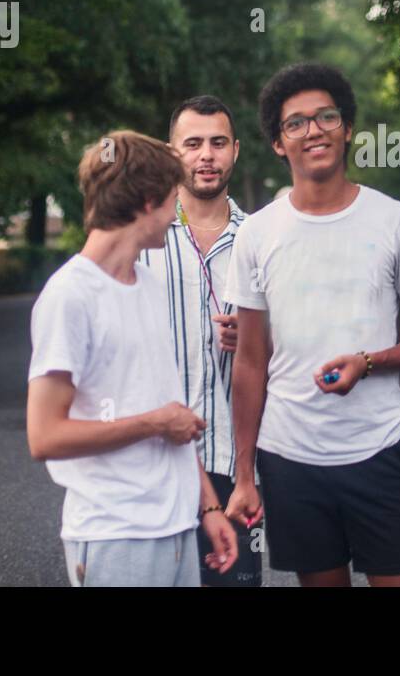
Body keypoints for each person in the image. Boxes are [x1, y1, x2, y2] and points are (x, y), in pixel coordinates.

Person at [224, 63, 400, 587]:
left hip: (379, 447)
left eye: (326, 117)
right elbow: (250, 360)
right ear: (279, 144)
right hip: (290, 457)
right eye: (296, 124)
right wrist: (243, 477)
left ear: (347, 128)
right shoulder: (256, 234)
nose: (314, 131)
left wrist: (369, 362)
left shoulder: (394, 220)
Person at [26, 131, 238, 586]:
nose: (175, 215)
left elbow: (171, 412)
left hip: (178, 524)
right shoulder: (70, 296)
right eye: (170, 202)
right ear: (147, 202)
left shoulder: (149, 284)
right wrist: (155, 424)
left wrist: (208, 507)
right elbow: (44, 436)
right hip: (115, 535)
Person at [140, 95, 262, 587]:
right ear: (172, 155)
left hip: (237, 463)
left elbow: (297, 351)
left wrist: (260, 340)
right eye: (192, 144)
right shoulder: (142, 241)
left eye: (217, 143)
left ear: (236, 150)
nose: (206, 155)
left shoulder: (262, 238)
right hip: (154, 458)